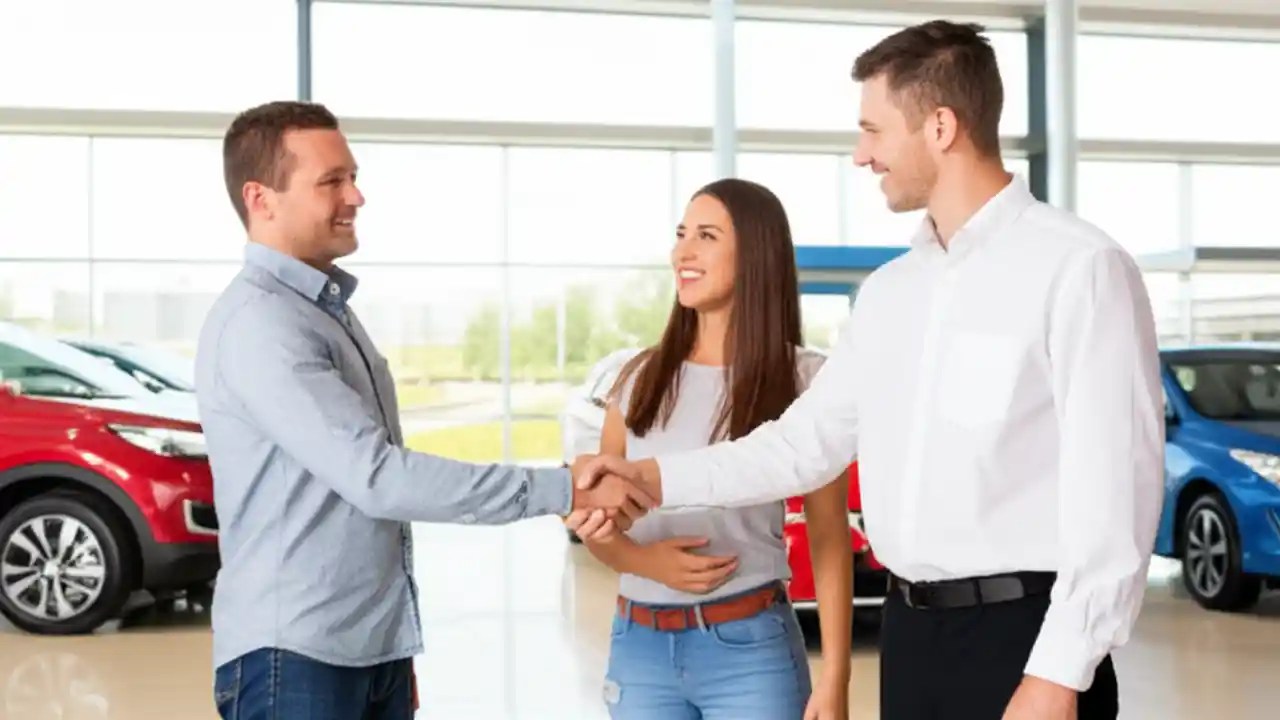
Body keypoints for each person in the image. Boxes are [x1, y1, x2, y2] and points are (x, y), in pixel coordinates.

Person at [574, 20, 1164, 720]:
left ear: (940, 126)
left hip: (1024, 640)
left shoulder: (1079, 269)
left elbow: (1116, 495)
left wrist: (1060, 672)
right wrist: (651, 477)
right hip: (910, 638)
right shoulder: (889, 294)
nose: (861, 156)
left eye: (874, 130)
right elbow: (800, 446)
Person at [196, 100, 652, 720]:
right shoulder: (263, 323)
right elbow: (379, 478)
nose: (356, 196)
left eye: (352, 176)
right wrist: (565, 487)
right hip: (297, 659)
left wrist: (390, 652)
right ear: (261, 198)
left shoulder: (321, 309)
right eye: (332, 181)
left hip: (363, 652)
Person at [565, 178, 853, 719]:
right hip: (640, 648)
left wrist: (835, 675)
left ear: (755, 253)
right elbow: (597, 523)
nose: (683, 252)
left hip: (751, 650)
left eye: (706, 235)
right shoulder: (637, 379)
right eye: (680, 234)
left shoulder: (805, 380)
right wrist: (645, 562)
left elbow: (829, 536)